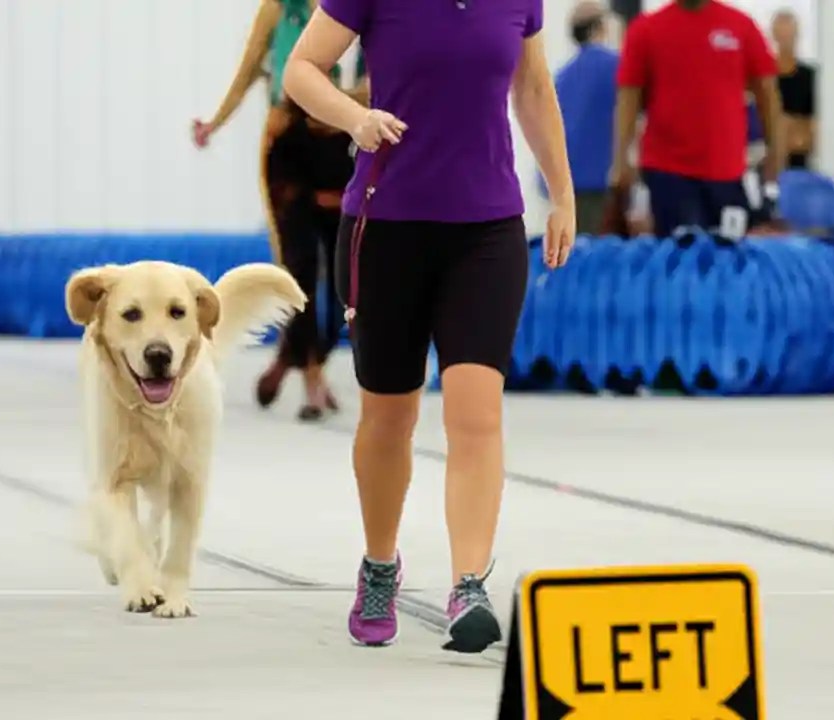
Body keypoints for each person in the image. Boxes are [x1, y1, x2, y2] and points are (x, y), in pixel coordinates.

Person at [283, 0, 576, 653]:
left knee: (477, 411)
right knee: (389, 416)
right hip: (386, 228)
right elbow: (301, 70)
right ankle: (380, 565)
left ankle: (469, 582)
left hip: (488, 230)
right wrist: (354, 118)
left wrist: (562, 193)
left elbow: (531, 87)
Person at [192, 0, 365, 420]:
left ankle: (290, 357)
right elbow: (250, 68)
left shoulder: (363, 9)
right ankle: (312, 378)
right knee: (298, 267)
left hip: (338, 145)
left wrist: (337, 100)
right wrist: (216, 122)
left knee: (346, 274)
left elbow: (380, 84)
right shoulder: (278, 9)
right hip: (288, 145)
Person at [610, 0, 785, 241]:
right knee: (682, 261)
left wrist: (775, 155)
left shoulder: (741, 27)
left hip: (728, 174)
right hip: (668, 173)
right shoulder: (646, 29)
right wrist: (621, 162)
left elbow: (768, 96)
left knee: (726, 263)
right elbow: (628, 99)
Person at [552, 1, 620, 235]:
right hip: (600, 178)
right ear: (598, 27)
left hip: (563, 180)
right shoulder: (615, 65)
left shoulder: (562, 75)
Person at [771, 9, 816, 169]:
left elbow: (813, 130)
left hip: (800, 166)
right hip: (765, 165)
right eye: (781, 35)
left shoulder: (810, 77)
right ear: (774, 36)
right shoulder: (762, 78)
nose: (785, 41)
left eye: (789, 35)